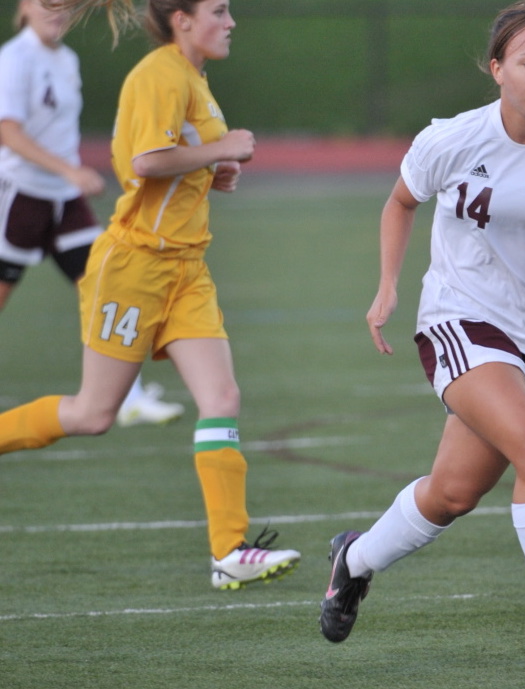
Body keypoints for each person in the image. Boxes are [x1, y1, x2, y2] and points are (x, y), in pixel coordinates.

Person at [319, 0, 525, 671]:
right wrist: (388, 286)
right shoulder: (452, 139)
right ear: (497, 69)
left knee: (451, 493)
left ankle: (353, 558)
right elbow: (400, 201)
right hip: (456, 319)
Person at [0, 0, 300, 590]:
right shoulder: (160, 73)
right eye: (219, 10)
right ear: (182, 19)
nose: (231, 21)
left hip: (187, 268)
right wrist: (221, 150)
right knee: (93, 415)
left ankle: (229, 550)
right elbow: (143, 160)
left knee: (222, 396)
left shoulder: (193, 77)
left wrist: (213, 171)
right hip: (135, 267)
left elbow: (174, 159)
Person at [0, 0, 184, 428]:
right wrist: (70, 169)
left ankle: (129, 398)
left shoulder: (67, 59)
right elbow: (8, 131)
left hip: (65, 202)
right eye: (47, 3)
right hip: (21, 199)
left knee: (109, 287)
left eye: (64, 5)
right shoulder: (14, 58)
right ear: (24, 7)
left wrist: (70, 175)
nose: (56, 11)